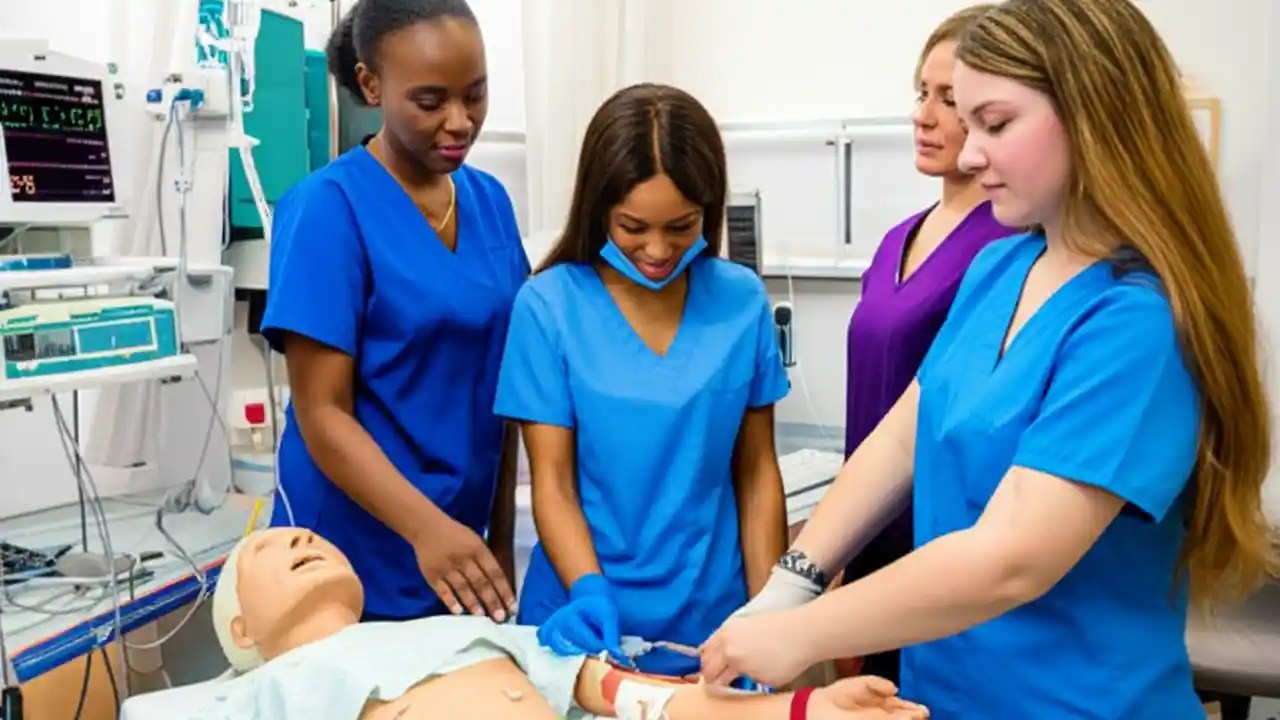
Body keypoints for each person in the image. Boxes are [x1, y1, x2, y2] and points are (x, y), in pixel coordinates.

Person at [700, 0, 1278, 717]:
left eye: (995, 124)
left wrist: (800, 632)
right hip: (945, 696)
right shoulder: (1000, 268)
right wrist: (794, 579)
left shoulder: (1140, 324)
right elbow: (906, 434)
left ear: (1093, 113)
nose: (970, 155)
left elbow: (1011, 559)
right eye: (966, 125)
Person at [493, 83, 791, 677]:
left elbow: (757, 473)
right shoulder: (549, 306)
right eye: (633, 227)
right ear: (598, 207)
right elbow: (552, 484)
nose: (657, 250)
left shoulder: (740, 302)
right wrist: (588, 589)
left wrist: (772, 616)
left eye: (681, 227)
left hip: (714, 619)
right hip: (585, 615)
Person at [259, 0, 527, 625]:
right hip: (348, 559)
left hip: (457, 550)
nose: (460, 122)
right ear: (371, 84)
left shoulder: (490, 202)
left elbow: (507, 389)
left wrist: (499, 537)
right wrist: (427, 529)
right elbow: (324, 414)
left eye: (476, 95)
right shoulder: (327, 208)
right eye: (430, 102)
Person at [203, 527, 930, 720]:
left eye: (308, 538)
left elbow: (653, 702)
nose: (299, 540)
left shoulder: (462, 634)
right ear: (241, 633)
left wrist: (808, 707)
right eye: (267, 548)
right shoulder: (265, 691)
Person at [836, 3, 1012, 684]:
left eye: (950, 101)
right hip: (868, 532)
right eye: (921, 92)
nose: (925, 115)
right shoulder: (894, 243)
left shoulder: (1012, 248)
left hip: (946, 544)